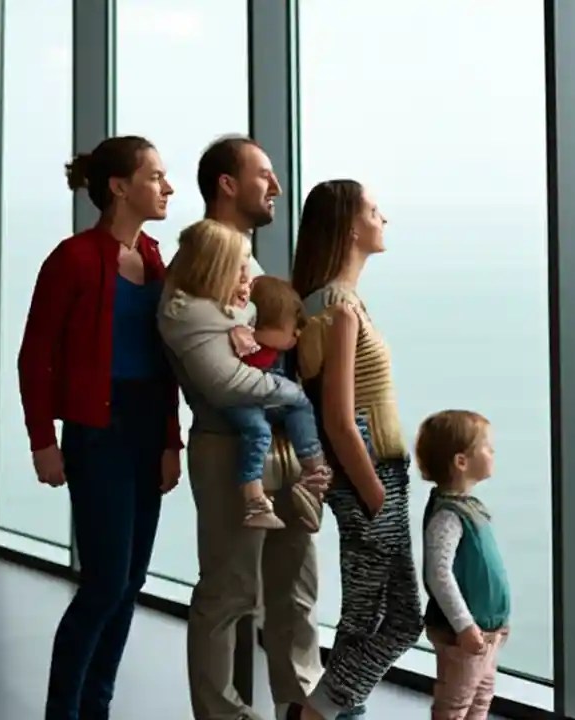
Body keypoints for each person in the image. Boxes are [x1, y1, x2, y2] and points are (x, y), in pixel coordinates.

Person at [158, 135, 329, 720]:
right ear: (228, 184)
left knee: (296, 593)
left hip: (277, 445)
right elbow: (215, 377)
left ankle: (302, 706)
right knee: (229, 596)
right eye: (264, 174)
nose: (276, 187)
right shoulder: (199, 265)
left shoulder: (247, 265)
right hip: (230, 447)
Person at [18, 135, 183, 720]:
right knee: (105, 584)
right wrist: (42, 441)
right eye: (156, 176)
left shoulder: (159, 259)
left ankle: (97, 709)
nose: (167, 187)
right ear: (120, 187)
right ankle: (62, 712)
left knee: (129, 585)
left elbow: (167, 361)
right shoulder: (73, 258)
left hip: (146, 431)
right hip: (97, 431)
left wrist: (171, 441)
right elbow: (34, 356)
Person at [293, 179, 423, 720]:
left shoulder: (333, 303)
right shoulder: (338, 310)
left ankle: (340, 711)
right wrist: (373, 492)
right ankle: (317, 713)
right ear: (350, 226)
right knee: (401, 619)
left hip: (372, 475)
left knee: (365, 614)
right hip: (369, 476)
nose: (383, 218)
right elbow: (339, 420)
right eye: (374, 210)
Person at [414, 410, 511, 720]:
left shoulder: (468, 507)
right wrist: (464, 625)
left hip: (485, 630)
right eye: (486, 446)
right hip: (465, 634)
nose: (492, 452)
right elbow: (438, 574)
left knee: (480, 697)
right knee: (454, 705)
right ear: (461, 461)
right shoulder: (448, 515)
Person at [224, 273, 330, 531]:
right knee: (258, 432)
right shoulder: (240, 341)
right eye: (291, 326)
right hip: (244, 403)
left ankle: (313, 469)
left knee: (300, 409)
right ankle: (254, 497)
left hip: (267, 402)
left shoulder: (281, 353)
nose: (296, 334)